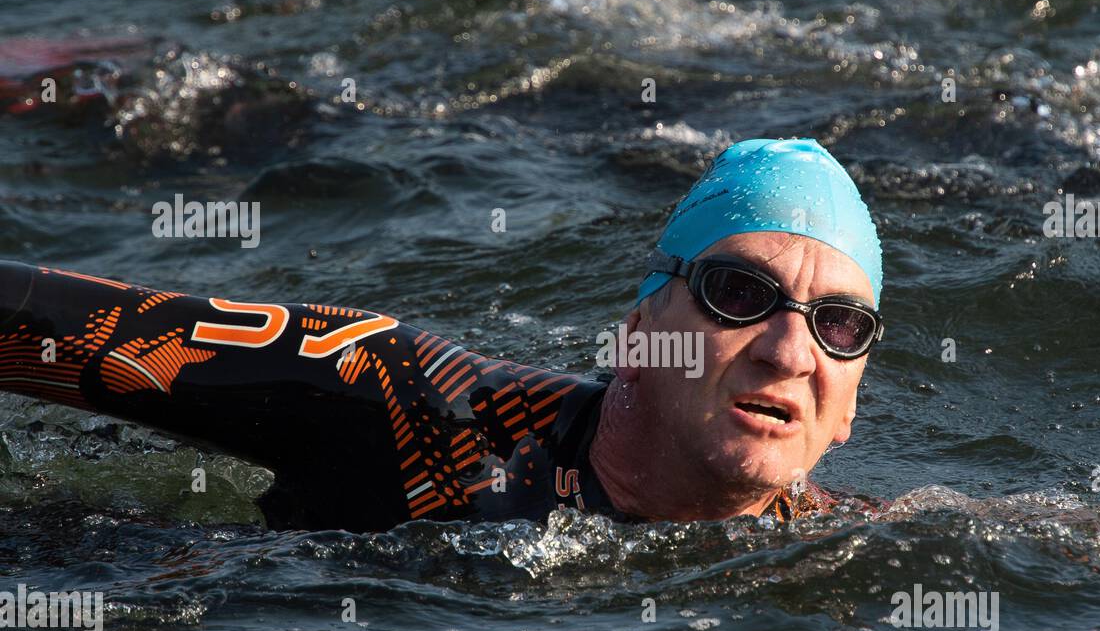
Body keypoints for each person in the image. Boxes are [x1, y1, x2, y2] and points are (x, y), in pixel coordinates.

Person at [0, 138, 885, 531]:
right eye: (739, 293)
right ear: (637, 338)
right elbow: (46, 324)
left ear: (849, 405)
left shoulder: (866, 553)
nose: (787, 349)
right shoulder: (405, 400)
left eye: (839, 324)